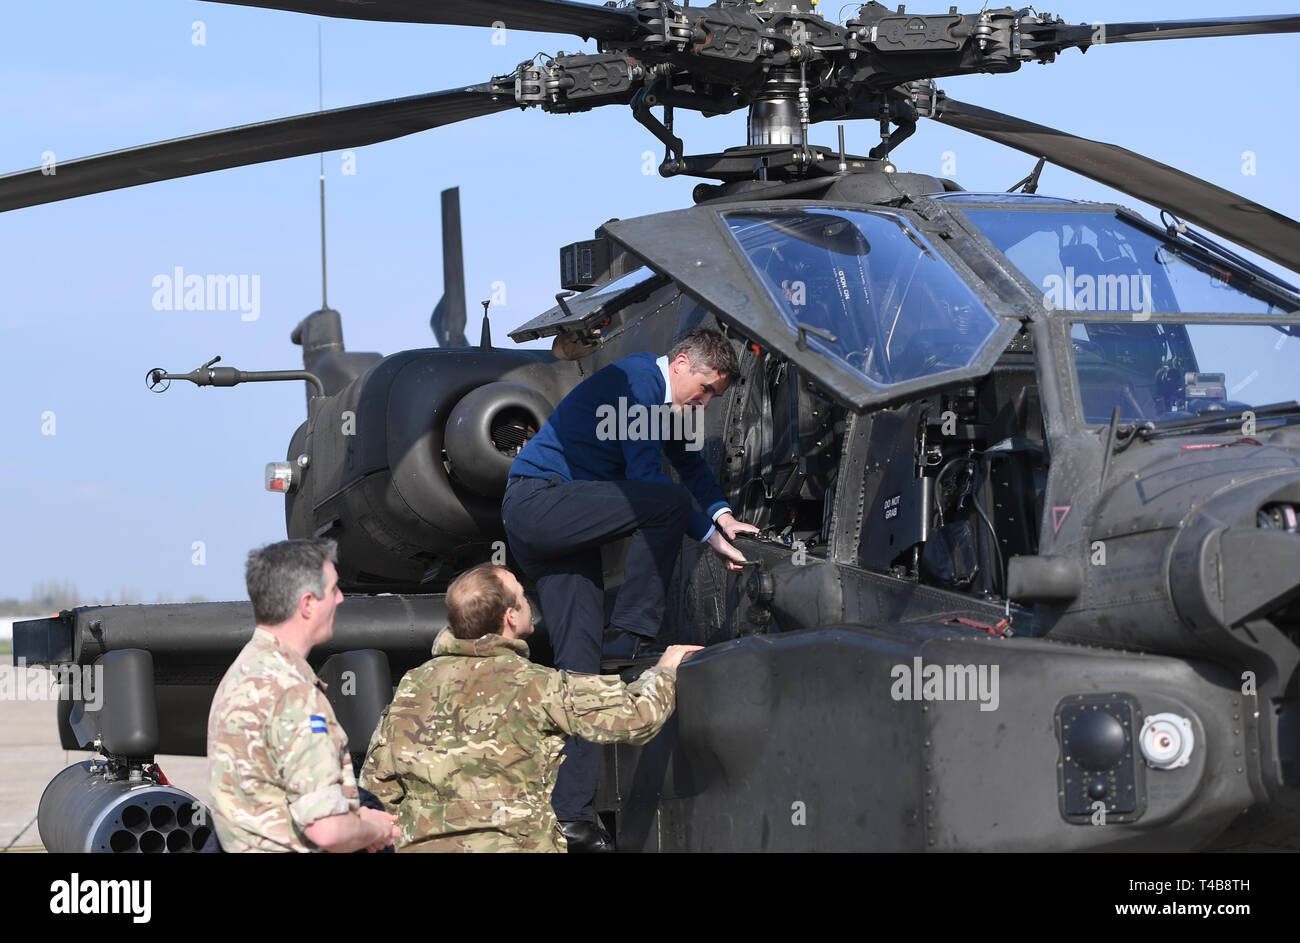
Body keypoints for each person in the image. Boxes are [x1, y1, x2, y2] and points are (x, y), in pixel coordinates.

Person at [500, 327, 758, 850]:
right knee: (659, 502)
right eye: (705, 389)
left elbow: (687, 464)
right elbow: (649, 482)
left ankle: (570, 816)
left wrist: (723, 515)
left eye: (714, 398)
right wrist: (708, 536)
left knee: (581, 671)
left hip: (561, 526)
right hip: (539, 503)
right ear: (681, 362)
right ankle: (634, 634)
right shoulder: (638, 381)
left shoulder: (666, 407)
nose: (705, 403)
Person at [359, 563, 700, 852]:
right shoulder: (536, 684)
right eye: (522, 596)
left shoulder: (412, 686)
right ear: (510, 617)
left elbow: (378, 786)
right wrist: (665, 670)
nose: (526, 600)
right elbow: (637, 718)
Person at [206, 538, 400, 853]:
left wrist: (355, 816)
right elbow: (328, 830)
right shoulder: (293, 693)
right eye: (334, 589)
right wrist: (372, 827)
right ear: (307, 604)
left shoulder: (244, 672)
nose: (340, 599)